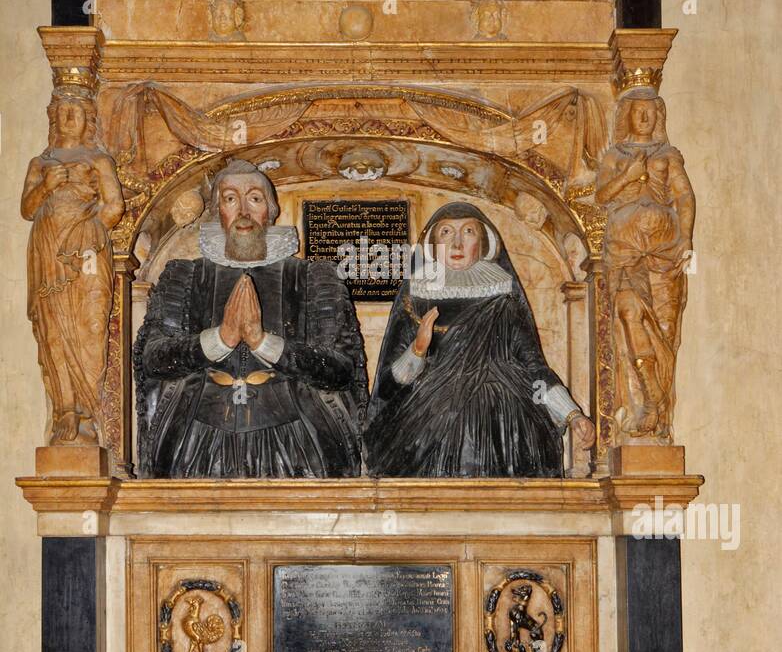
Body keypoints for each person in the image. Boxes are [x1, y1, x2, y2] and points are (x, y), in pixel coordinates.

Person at [135, 160, 366, 478]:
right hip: (200, 440)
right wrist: (220, 339)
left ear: (271, 212)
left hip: (293, 441)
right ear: (219, 212)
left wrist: (263, 342)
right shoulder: (184, 276)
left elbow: (339, 369)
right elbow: (154, 358)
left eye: (254, 198)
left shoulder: (314, 278)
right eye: (230, 199)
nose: (243, 210)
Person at [364, 201, 595, 478]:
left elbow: (533, 366)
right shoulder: (417, 294)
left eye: (469, 232)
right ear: (433, 243)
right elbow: (390, 386)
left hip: (503, 415)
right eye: (447, 233)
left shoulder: (503, 296)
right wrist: (418, 350)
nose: (458, 244)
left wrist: (572, 414)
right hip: (430, 413)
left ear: (484, 242)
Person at [21, 78, 124, 444]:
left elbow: (114, 207)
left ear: (88, 118)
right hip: (49, 252)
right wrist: (46, 187)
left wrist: (90, 231)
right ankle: (68, 410)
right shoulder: (41, 162)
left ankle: (90, 408)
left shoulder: (98, 160)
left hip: (88, 252)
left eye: (77, 111)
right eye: (62, 110)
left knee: (91, 328)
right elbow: (27, 209)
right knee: (53, 330)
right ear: (53, 117)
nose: (69, 116)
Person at [596, 87, 695, 440]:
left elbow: (683, 195)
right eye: (638, 111)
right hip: (623, 251)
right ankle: (648, 398)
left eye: (651, 111)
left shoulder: (668, 154)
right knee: (626, 311)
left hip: (664, 254)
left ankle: (661, 413)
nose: (644, 117)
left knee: (665, 333)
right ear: (627, 115)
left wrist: (686, 238)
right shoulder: (614, 155)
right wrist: (628, 175)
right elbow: (602, 196)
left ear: (659, 116)